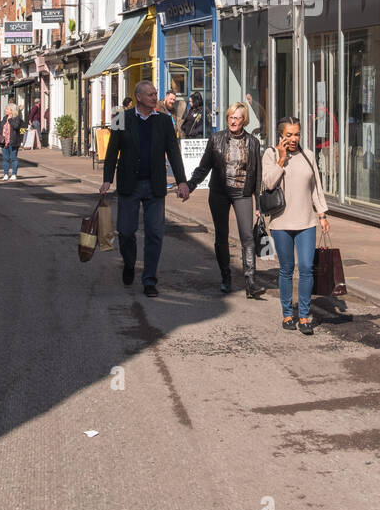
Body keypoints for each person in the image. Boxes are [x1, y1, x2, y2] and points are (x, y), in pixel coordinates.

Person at [100, 80, 190, 297]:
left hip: (155, 185)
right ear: (138, 97)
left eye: (155, 93)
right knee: (126, 231)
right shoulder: (122, 118)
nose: (154, 97)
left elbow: (174, 153)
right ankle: (130, 264)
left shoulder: (164, 122)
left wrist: (182, 181)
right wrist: (107, 180)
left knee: (155, 234)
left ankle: (150, 280)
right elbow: (112, 151)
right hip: (129, 185)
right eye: (150, 94)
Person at [187, 102, 265, 297]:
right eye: (230, 117)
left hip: (243, 193)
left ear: (244, 120)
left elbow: (257, 175)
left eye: (237, 118)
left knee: (247, 236)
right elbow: (204, 166)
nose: (232, 121)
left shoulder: (253, 143)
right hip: (219, 193)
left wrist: (260, 204)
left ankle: (250, 282)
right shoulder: (216, 138)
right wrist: (190, 185)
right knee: (221, 235)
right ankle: (226, 277)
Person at [262, 117, 330, 336]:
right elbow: (269, 183)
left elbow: (316, 187)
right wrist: (281, 159)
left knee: (307, 268)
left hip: (306, 221)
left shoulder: (308, 155)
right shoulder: (270, 155)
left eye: (297, 134)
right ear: (280, 135)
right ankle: (287, 314)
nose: (293, 139)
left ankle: (304, 315)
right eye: (289, 135)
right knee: (286, 269)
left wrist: (322, 213)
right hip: (281, 222)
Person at [0, 103, 25, 181]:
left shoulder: (17, 118)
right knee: (5, 158)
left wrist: (10, 119)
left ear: (11, 110)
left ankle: (14, 174)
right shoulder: (4, 118)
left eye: (7, 109)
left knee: (13, 158)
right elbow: (1, 128)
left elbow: (16, 127)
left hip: (13, 141)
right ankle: (6, 174)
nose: (5, 110)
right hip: (4, 141)